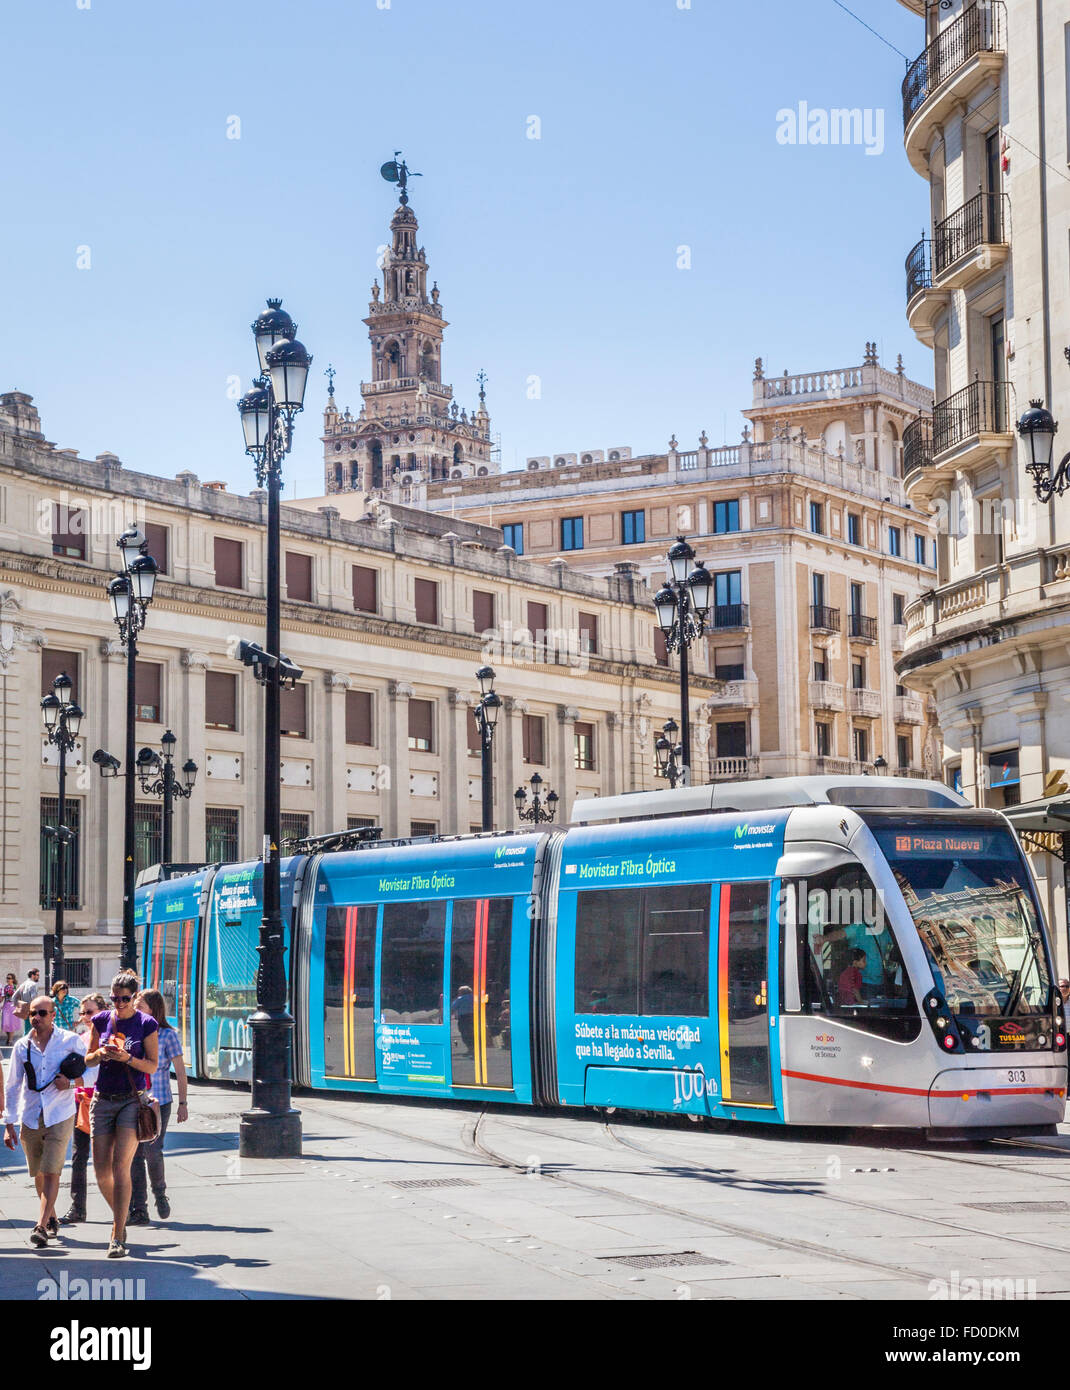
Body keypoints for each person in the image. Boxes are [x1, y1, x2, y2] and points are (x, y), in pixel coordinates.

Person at [2, 993, 86, 1246]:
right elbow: (13, 1085)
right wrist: (9, 1123)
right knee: (38, 1172)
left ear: (52, 1015)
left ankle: (39, 1226)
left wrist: (69, 1083)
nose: (36, 1017)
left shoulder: (70, 1041)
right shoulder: (22, 1046)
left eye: (41, 1013)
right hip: (30, 1116)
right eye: (32, 1014)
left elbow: (92, 1074)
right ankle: (51, 1217)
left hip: (60, 1114)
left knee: (51, 1171)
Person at [84, 971, 158, 1258]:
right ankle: (122, 1217)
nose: (119, 1003)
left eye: (124, 999)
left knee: (120, 1167)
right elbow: (87, 1058)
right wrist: (101, 1054)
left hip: (132, 1100)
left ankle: (117, 1234)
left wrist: (128, 1058)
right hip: (102, 1099)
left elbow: (152, 1066)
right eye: (114, 998)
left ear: (134, 997)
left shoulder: (145, 1023)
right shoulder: (101, 1019)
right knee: (101, 1172)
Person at [127, 989, 187, 1225]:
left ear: (154, 1008)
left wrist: (183, 1103)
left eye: (140, 1005)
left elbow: (180, 1072)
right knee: (134, 1156)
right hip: (133, 1100)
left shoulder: (167, 1035)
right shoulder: (131, 1032)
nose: (135, 1008)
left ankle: (160, 1194)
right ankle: (138, 1209)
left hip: (159, 1101)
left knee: (153, 1151)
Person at [61, 994, 106, 1225]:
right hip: (82, 1103)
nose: (85, 1017)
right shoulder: (80, 1039)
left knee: (109, 1159)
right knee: (78, 1156)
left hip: (106, 1104)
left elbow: (94, 1074)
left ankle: (132, 1206)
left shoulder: (108, 1037)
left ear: (102, 1010)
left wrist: (71, 1083)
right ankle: (78, 1207)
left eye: (90, 1012)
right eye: (82, 1013)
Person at [13, 968, 41, 1034]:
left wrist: (20, 1006)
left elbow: (14, 997)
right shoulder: (33, 984)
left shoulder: (23, 984)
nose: (38, 977)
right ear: (32, 975)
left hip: (25, 1010)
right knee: (32, 1031)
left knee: (27, 1030)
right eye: (37, 975)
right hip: (33, 1011)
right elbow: (34, 999)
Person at [451, 984, 474, 1056]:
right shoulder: (474, 997)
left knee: (464, 1033)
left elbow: (453, 1007)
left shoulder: (460, 999)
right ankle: (474, 1048)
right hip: (473, 1016)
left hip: (464, 1017)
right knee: (472, 1032)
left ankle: (470, 1049)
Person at [2, 972, 17, 1044]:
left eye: (9, 978)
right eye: (7, 978)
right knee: (5, 1024)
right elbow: (3, 997)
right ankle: (9, 1038)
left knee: (11, 1024)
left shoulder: (15, 987)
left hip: (12, 1006)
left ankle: (10, 1040)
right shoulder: (5, 987)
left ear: (13, 979)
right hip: (6, 1006)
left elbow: (17, 997)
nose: (8, 980)